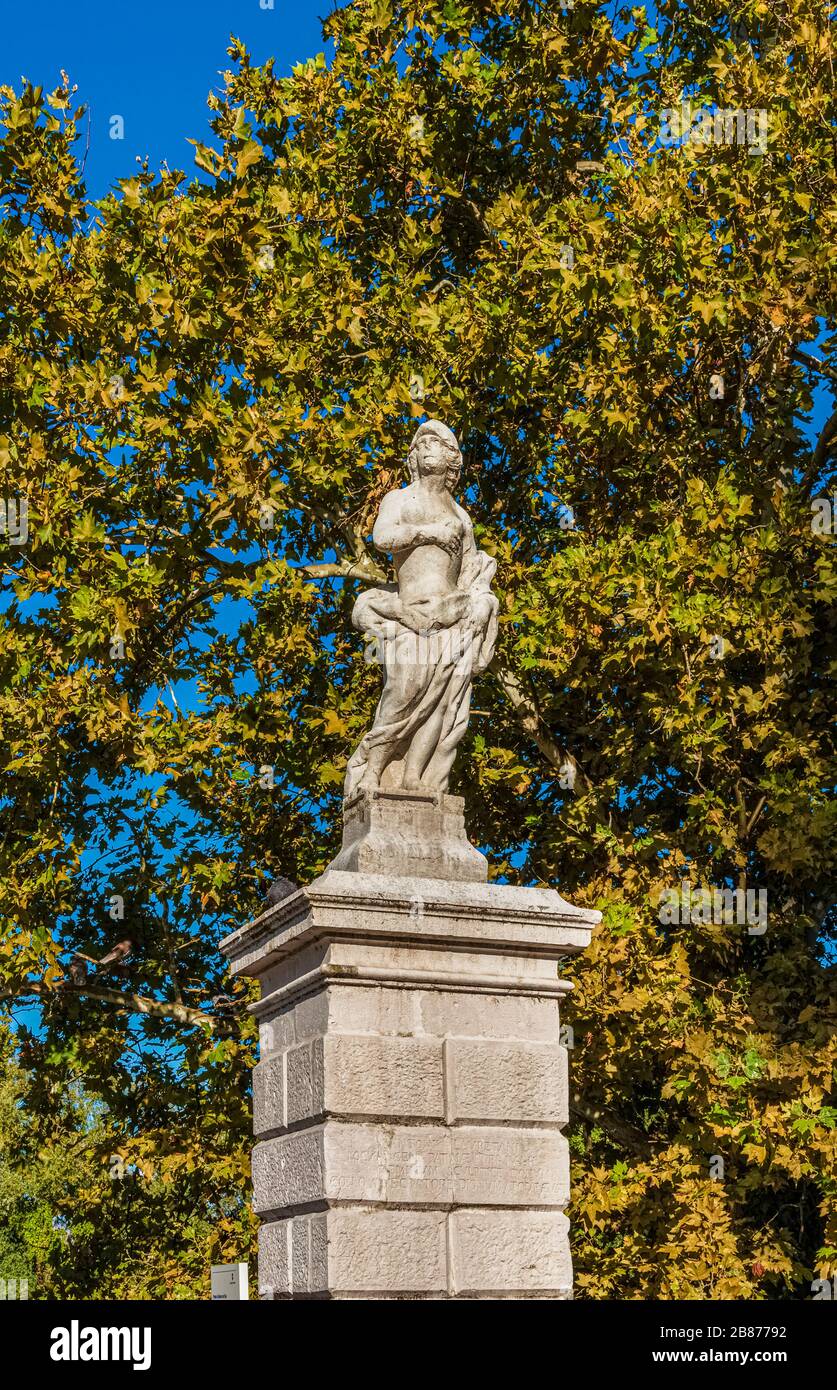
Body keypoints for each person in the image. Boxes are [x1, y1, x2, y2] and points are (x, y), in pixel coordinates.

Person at [344, 419, 498, 799]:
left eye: (437, 442)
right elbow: (381, 538)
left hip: (450, 615)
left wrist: (480, 602)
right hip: (411, 613)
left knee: (442, 701)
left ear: (451, 459)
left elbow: (469, 569)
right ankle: (373, 772)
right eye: (422, 442)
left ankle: (414, 775)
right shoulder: (400, 498)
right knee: (403, 690)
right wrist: (428, 533)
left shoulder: (461, 515)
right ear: (414, 457)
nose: (427, 446)